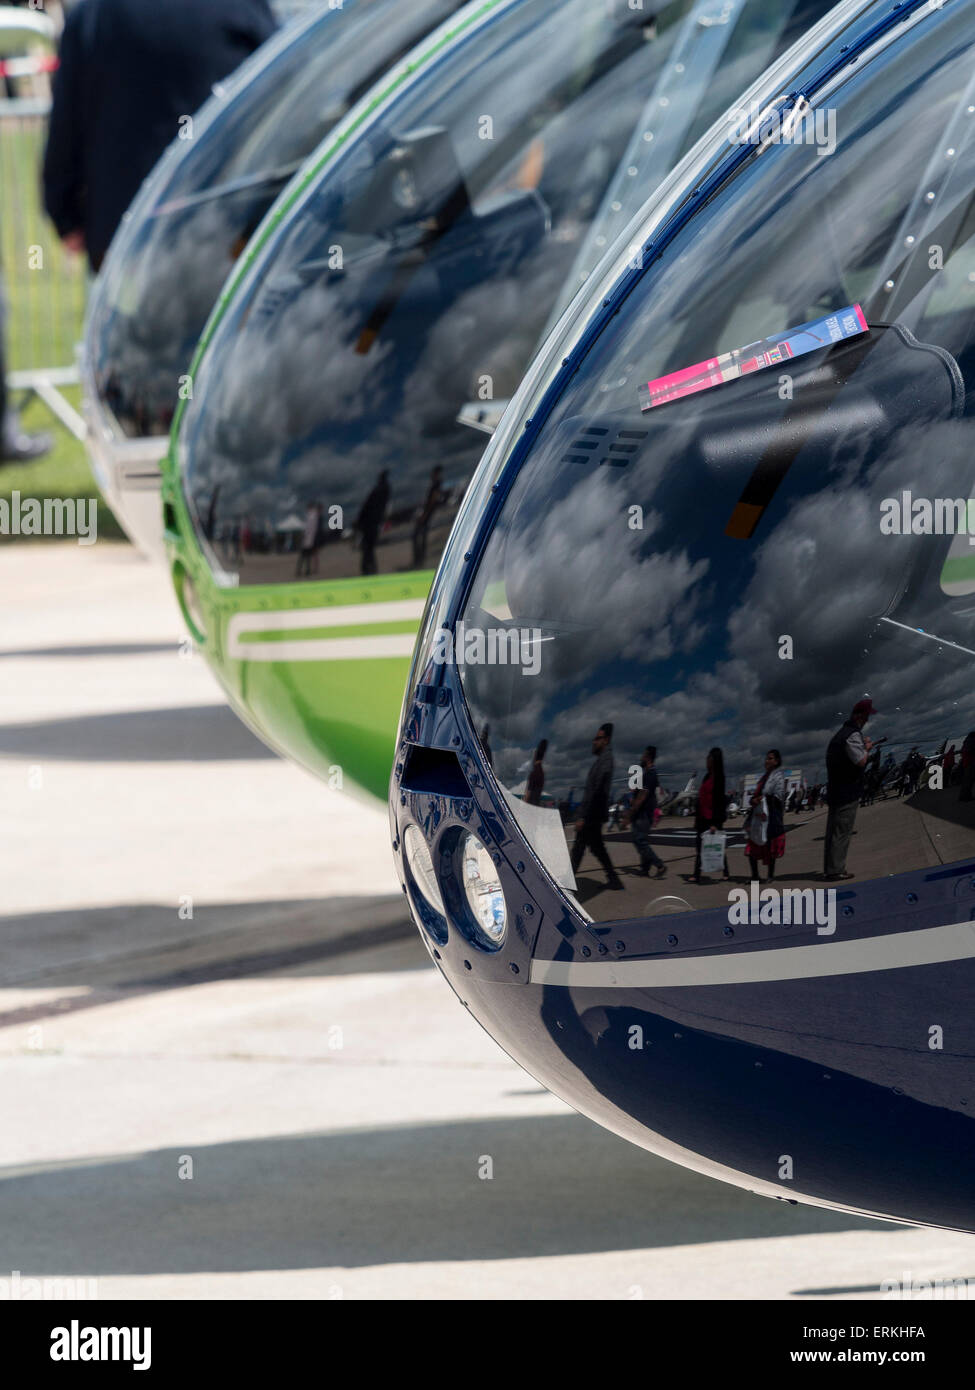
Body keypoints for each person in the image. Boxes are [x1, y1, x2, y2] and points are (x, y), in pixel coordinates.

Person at [42, 0, 277, 273]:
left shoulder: (93, 13)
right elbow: (285, 93)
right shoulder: (242, 8)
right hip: (223, 227)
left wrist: (65, 216)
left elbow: (65, 125)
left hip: (123, 234)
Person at [823, 698, 875, 881]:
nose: (868, 720)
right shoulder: (852, 735)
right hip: (847, 791)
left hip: (836, 790)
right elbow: (860, 761)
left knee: (833, 833)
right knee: (842, 832)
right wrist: (867, 748)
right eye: (867, 715)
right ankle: (836, 870)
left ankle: (830, 868)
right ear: (859, 716)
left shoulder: (840, 735)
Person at [570, 723, 624, 891]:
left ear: (606, 740)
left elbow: (598, 789)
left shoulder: (606, 760)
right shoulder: (602, 760)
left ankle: (567, 885)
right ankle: (614, 880)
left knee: (579, 848)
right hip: (594, 813)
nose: (594, 742)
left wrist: (584, 816)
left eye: (598, 738)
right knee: (597, 848)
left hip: (592, 814)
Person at [744, 749, 787, 881]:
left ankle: (770, 875)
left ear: (776, 761)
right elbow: (756, 794)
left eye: (770, 758)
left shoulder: (778, 776)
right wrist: (754, 800)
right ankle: (755, 875)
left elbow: (778, 795)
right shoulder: (763, 777)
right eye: (766, 758)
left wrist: (762, 798)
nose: (767, 761)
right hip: (758, 813)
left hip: (770, 815)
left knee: (769, 844)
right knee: (752, 842)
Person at [627, 745, 666, 879]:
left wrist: (631, 811)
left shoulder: (651, 773)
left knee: (639, 840)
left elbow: (643, 795)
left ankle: (659, 865)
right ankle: (644, 869)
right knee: (641, 840)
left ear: (648, 757)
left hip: (644, 813)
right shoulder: (646, 773)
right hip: (643, 813)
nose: (641, 758)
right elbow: (638, 792)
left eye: (643, 755)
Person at [690, 747, 729, 882]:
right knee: (701, 845)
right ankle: (697, 873)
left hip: (712, 817)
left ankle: (698, 874)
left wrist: (715, 823)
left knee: (714, 844)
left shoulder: (719, 778)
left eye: (709, 759)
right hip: (702, 816)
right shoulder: (707, 776)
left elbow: (719, 801)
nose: (706, 761)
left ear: (714, 761)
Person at [356, 471, 390, 576]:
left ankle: (367, 570)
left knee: (368, 548)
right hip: (373, 522)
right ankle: (371, 569)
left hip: (369, 523)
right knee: (369, 548)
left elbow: (367, 506)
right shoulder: (386, 490)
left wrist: (359, 521)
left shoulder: (377, 491)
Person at [412, 465, 447, 568]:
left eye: (434, 473)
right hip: (427, 515)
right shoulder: (436, 485)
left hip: (427, 516)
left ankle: (420, 560)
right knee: (420, 537)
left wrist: (424, 515)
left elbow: (432, 501)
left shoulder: (436, 485)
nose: (432, 475)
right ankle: (420, 559)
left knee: (419, 537)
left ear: (436, 474)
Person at [295, 502, 320, 578]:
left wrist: (304, 537)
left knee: (303, 556)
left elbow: (308, 529)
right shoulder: (314, 516)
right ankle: (306, 570)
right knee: (307, 557)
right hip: (310, 540)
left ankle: (300, 571)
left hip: (307, 540)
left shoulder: (311, 516)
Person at [525, 739, 547, 806]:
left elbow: (528, 794)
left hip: (529, 806)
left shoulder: (534, 773)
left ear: (535, 756)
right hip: (535, 806)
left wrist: (523, 804)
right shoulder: (542, 773)